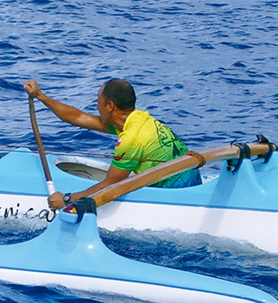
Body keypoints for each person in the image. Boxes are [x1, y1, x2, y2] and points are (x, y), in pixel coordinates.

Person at [22, 77, 199, 211]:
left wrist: (67, 200)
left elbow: (110, 186)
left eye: (98, 102)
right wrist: (40, 96)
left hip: (178, 197)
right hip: (193, 182)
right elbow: (78, 117)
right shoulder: (139, 119)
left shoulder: (131, 139)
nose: (96, 107)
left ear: (110, 106)